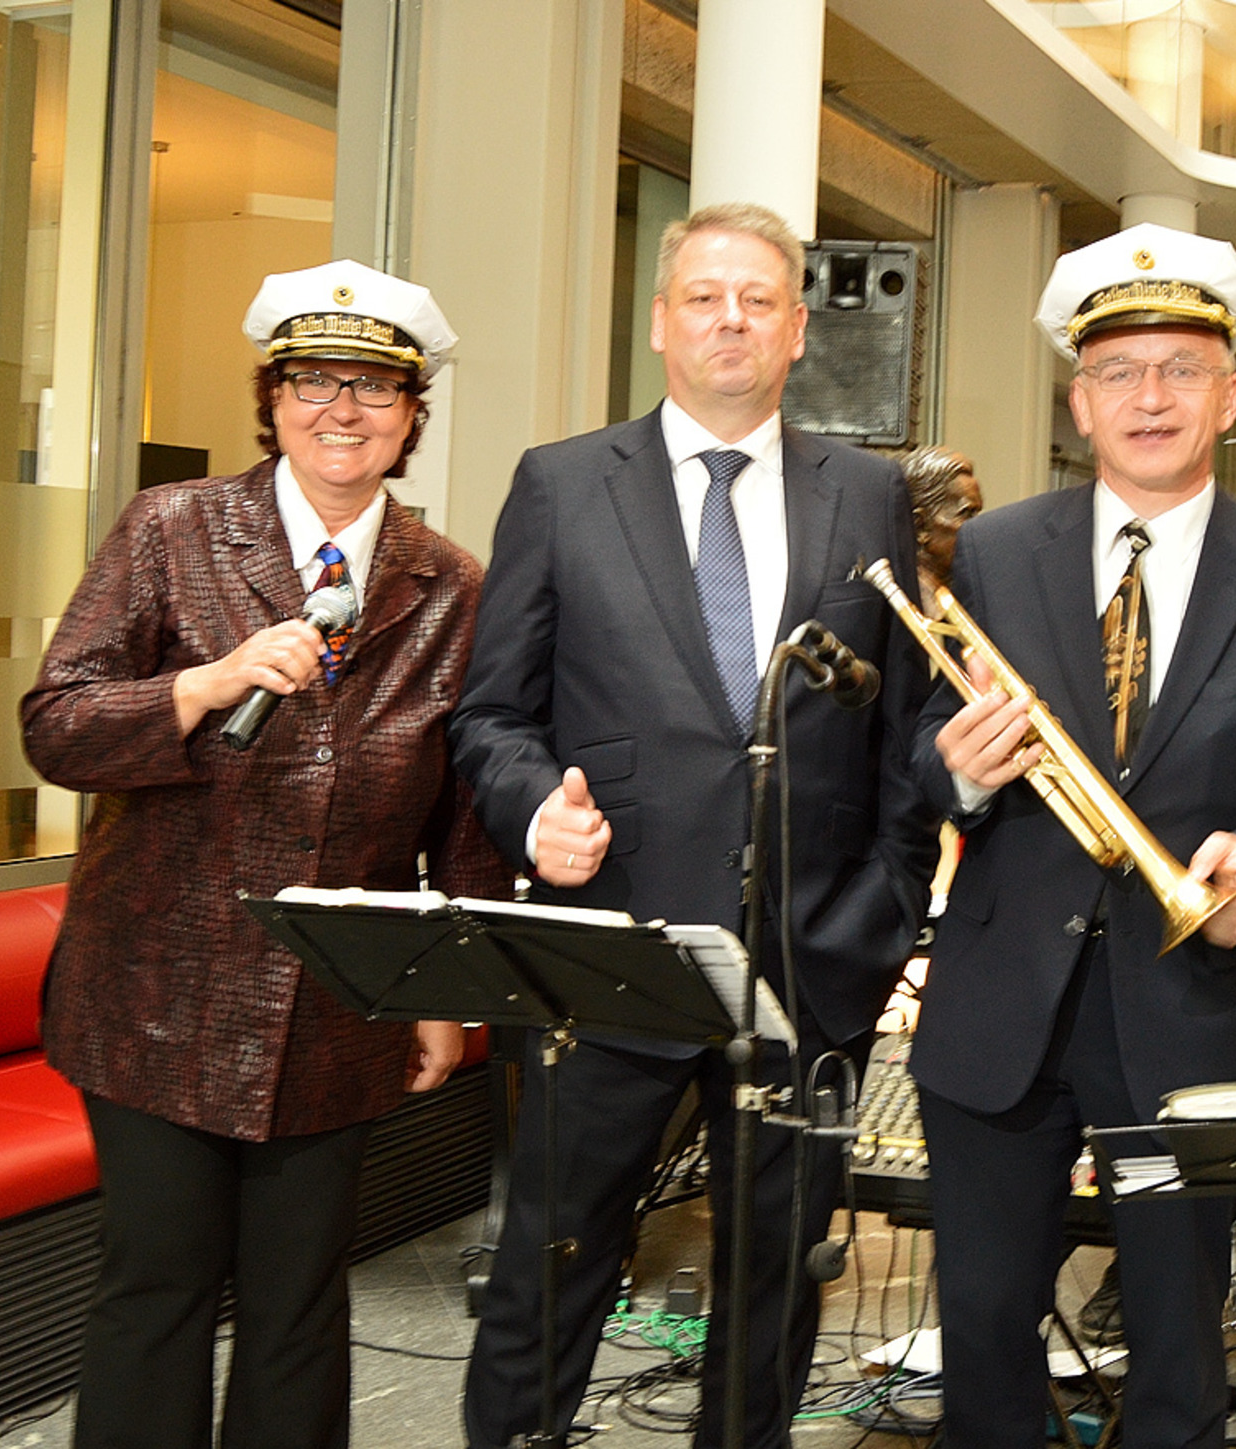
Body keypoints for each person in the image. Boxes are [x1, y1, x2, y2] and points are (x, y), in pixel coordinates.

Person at [452, 202, 937, 1449]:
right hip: (605, 955)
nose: (731, 318)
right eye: (705, 296)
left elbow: (900, 731)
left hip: (809, 961)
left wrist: (880, 912)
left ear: (795, 328)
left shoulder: (869, 492)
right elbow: (493, 716)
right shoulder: (560, 484)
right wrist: (527, 818)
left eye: (758, 299)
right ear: (661, 321)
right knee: (550, 1263)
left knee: (772, 1286)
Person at [20, 259, 509, 1449]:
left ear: (409, 418)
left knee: (300, 1301)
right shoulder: (172, 526)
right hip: (152, 989)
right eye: (311, 382)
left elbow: (461, 802)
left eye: (374, 388)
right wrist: (204, 684)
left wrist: (442, 991)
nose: (341, 411)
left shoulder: (449, 583)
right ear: (272, 400)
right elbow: (57, 725)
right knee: (158, 1287)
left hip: (337, 998)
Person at [911, 223, 1236, 1447]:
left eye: (1177, 369)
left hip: (1183, 1009)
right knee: (984, 1326)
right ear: (1077, 399)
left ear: (1230, 394)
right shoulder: (992, 552)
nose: (1147, 397)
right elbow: (920, 744)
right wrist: (951, 773)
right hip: (1002, 1006)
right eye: (1117, 371)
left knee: (1172, 1337)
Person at [899, 444, 983, 614]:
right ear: (920, 527)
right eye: (966, 514)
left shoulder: (976, 595)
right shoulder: (894, 604)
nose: (979, 528)